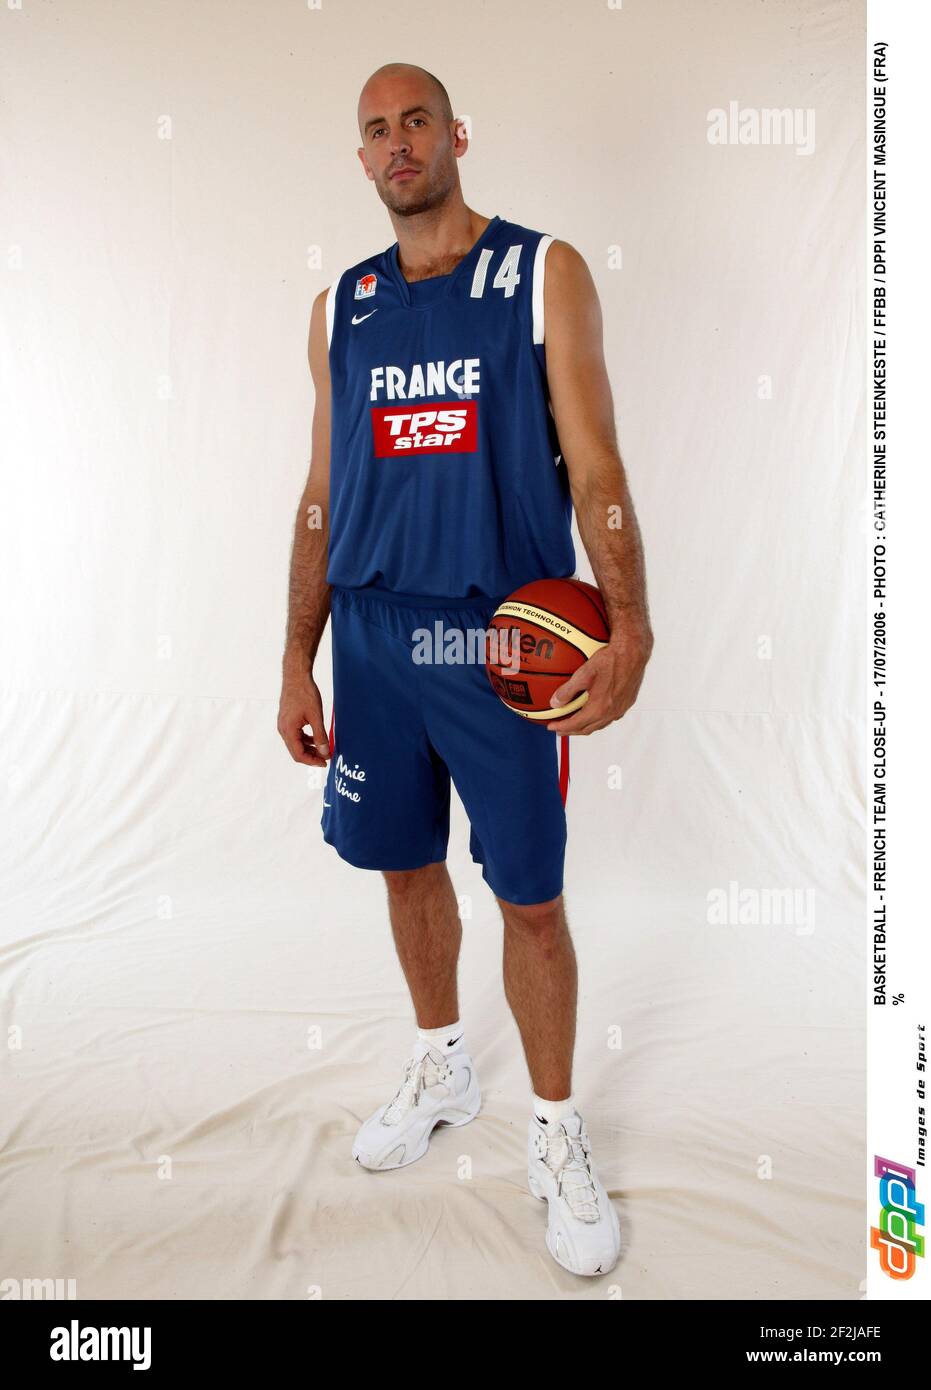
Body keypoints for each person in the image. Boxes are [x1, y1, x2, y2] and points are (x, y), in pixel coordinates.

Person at [278, 62, 653, 1278]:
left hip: (500, 639)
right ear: (362, 156)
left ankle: (552, 1131)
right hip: (377, 638)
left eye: (415, 122)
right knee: (400, 867)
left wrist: (632, 620)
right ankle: (443, 1062)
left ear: (455, 134)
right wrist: (298, 654)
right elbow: (323, 495)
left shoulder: (541, 273)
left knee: (530, 898)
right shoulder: (342, 303)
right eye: (374, 131)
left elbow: (594, 466)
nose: (396, 144)